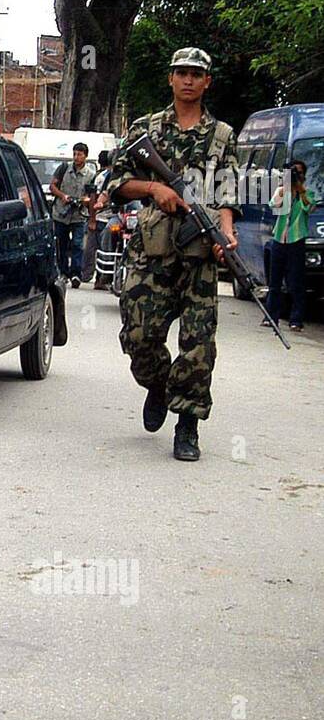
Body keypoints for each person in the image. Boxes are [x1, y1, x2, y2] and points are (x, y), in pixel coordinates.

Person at [108, 47, 239, 462]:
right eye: (180, 72)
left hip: (199, 254)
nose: (187, 80)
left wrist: (226, 235)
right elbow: (115, 183)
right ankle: (159, 386)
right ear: (170, 78)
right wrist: (154, 189)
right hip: (153, 252)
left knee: (199, 346)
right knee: (138, 336)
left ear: (207, 82)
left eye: (196, 74)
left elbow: (227, 193)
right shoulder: (146, 129)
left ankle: (188, 425)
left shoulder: (222, 135)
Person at [264, 159, 315, 334]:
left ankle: (296, 320)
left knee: (295, 282)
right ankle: (271, 317)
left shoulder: (307, 192)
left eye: (299, 172)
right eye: (294, 172)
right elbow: (273, 205)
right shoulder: (282, 190)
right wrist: (286, 187)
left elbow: (310, 208)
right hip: (279, 239)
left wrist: (300, 190)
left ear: (304, 175)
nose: (296, 175)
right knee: (274, 282)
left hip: (296, 240)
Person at [50, 141, 92, 286]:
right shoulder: (64, 169)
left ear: (85, 156)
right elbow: (53, 186)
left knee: (77, 244)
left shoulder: (90, 175)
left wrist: (84, 200)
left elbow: (91, 196)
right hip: (61, 213)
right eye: (74, 154)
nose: (76, 157)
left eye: (79, 154)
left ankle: (76, 273)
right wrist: (63, 196)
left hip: (78, 215)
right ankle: (63, 271)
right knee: (61, 243)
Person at [82, 149, 111, 282]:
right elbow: (93, 197)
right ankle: (88, 275)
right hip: (100, 217)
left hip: (108, 217)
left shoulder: (108, 176)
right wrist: (92, 219)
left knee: (101, 249)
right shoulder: (101, 178)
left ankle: (101, 278)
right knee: (93, 248)